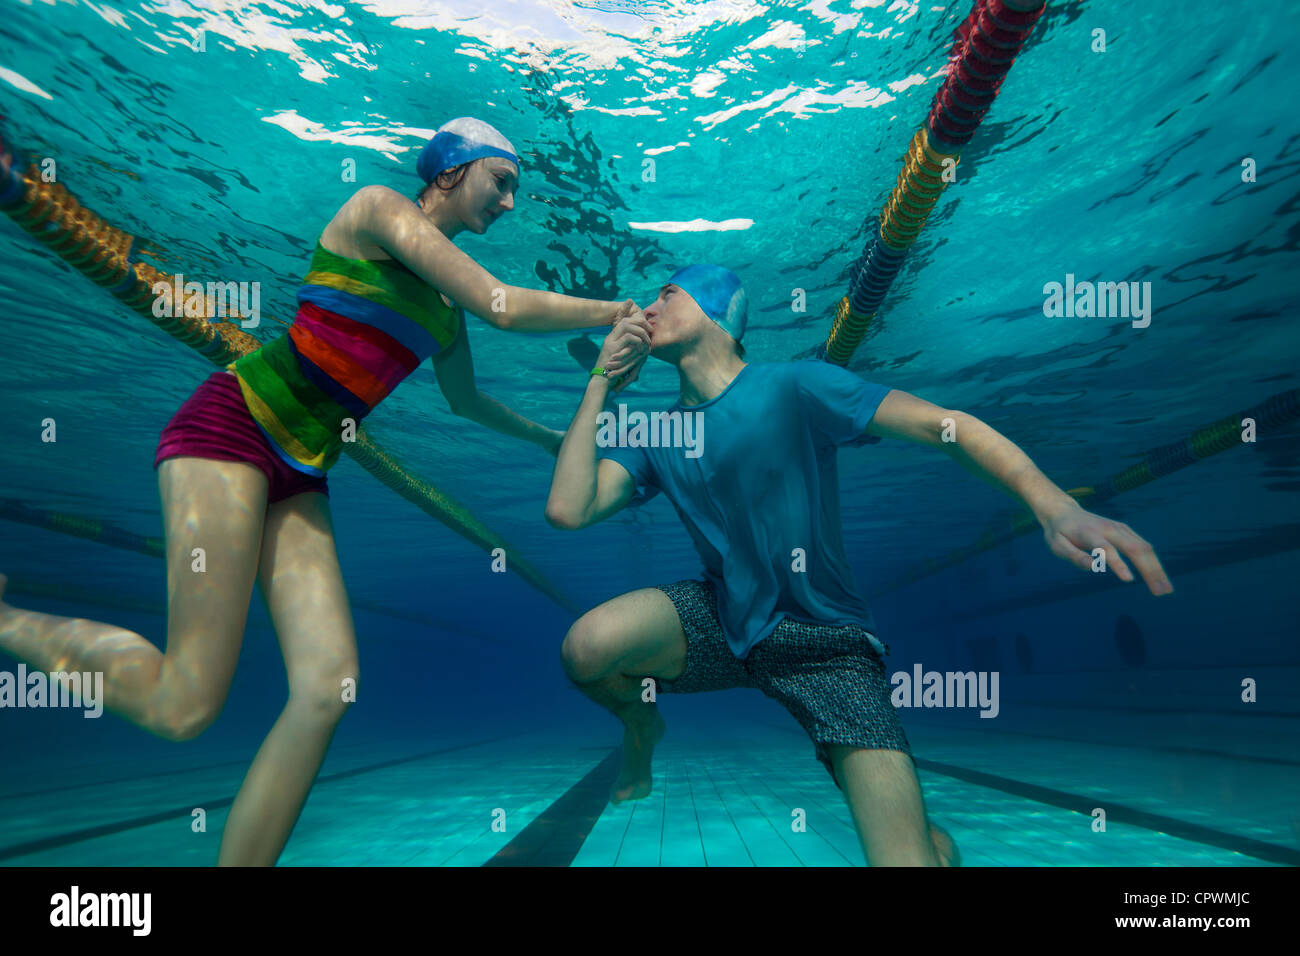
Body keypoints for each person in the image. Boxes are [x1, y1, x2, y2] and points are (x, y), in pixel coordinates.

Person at [0, 117, 650, 866]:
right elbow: (501, 305)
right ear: (450, 170)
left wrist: (550, 440)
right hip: (232, 430)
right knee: (183, 705)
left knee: (328, 686)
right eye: (501, 182)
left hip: (301, 472)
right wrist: (616, 311)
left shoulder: (442, 311)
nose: (509, 203)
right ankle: (9, 619)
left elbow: (466, 406)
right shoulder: (375, 211)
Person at [545, 264, 1174, 866]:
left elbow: (945, 426)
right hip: (724, 619)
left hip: (827, 644)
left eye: (667, 295)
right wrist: (600, 379)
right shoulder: (658, 434)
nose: (646, 308)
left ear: (717, 316)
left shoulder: (796, 386)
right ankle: (641, 724)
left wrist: (1054, 505)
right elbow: (568, 510)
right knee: (587, 648)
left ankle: (928, 843)